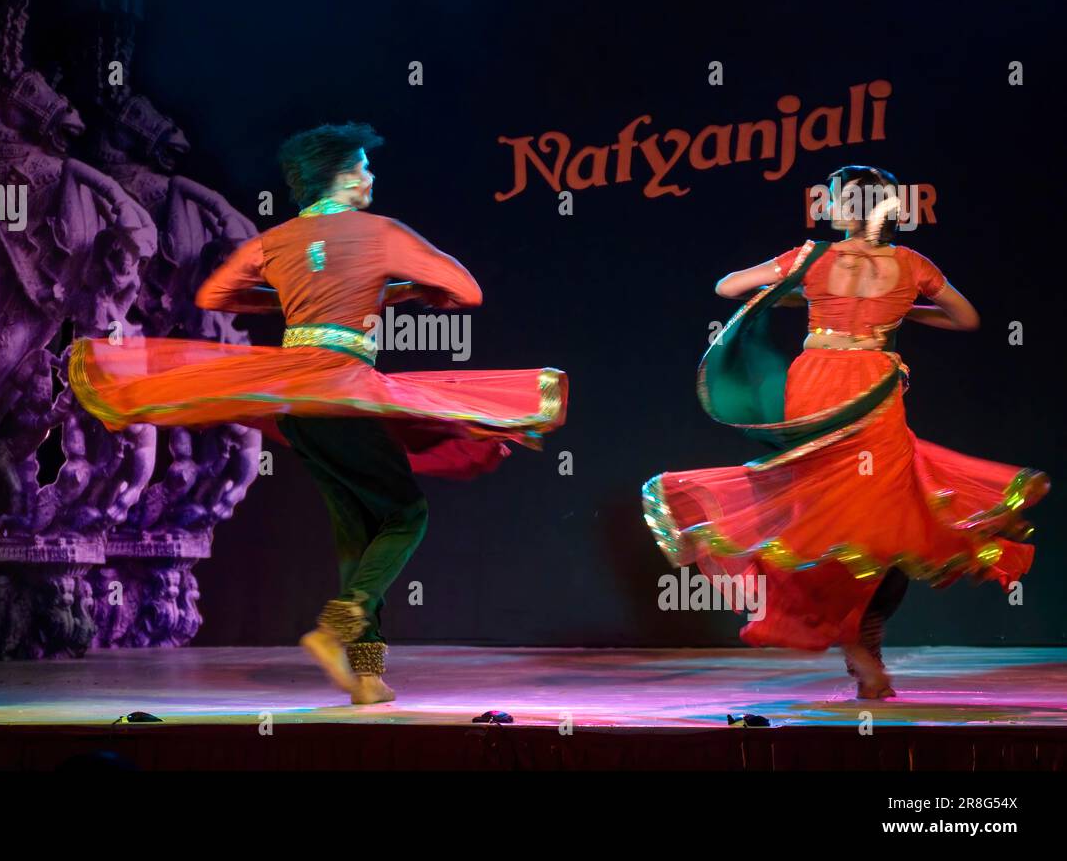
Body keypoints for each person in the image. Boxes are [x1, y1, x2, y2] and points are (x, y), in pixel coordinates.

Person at [70, 122, 567, 703]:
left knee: (355, 533)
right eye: (363, 165)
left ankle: (367, 675)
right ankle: (341, 624)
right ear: (342, 175)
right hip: (343, 389)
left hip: (296, 400)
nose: (371, 175)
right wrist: (397, 289)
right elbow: (467, 290)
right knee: (406, 515)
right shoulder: (379, 231)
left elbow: (213, 296)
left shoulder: (273, 241)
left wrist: (290, 295)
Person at [643, 165, 1048, 698]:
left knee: (817, 514)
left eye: (831, 199)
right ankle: (863, 640)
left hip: (818, 383)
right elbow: (966, 318)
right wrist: (905, 313)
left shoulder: (811, 256)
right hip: (873, 382)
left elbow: (727, 286)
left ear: (839, 209)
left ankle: (855, 639)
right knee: (882, 519)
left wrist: (793, 294)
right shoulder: (912, 264)